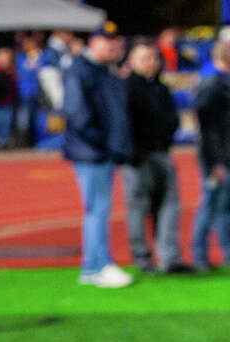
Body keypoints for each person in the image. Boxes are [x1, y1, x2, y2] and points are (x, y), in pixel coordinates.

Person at [63, 22, 134, 288]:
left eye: (117, 41)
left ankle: (95, 265)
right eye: (107, 41)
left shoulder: (106, 70)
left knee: (98, 208)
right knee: (97, 209)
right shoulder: (81, 70)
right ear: (93, 42)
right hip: (91, 152)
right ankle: (97, 265)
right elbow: (78, 114)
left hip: (100, 150)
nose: (114, 46)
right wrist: (103, 144)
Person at [123, 43, 187, 273]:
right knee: (139, 208)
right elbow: (125, 124)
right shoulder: (127, 88)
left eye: (153, 57)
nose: (150, 62)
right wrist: (132, 153)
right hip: (138, 158)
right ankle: (142, 259)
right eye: (144, 58)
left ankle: (169, 259)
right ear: (132, 61)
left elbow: (172, 119)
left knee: (170, 205)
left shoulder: (161, 87)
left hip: (162, 153)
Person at [190, 39, 230, 271]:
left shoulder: (219, 83)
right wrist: (215, 161)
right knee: (212, 204)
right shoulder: (213, 85)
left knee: (223, 206)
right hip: (217, 159)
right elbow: (207, 129)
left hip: (223, 157)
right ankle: (199, 255)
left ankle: (224, 252)